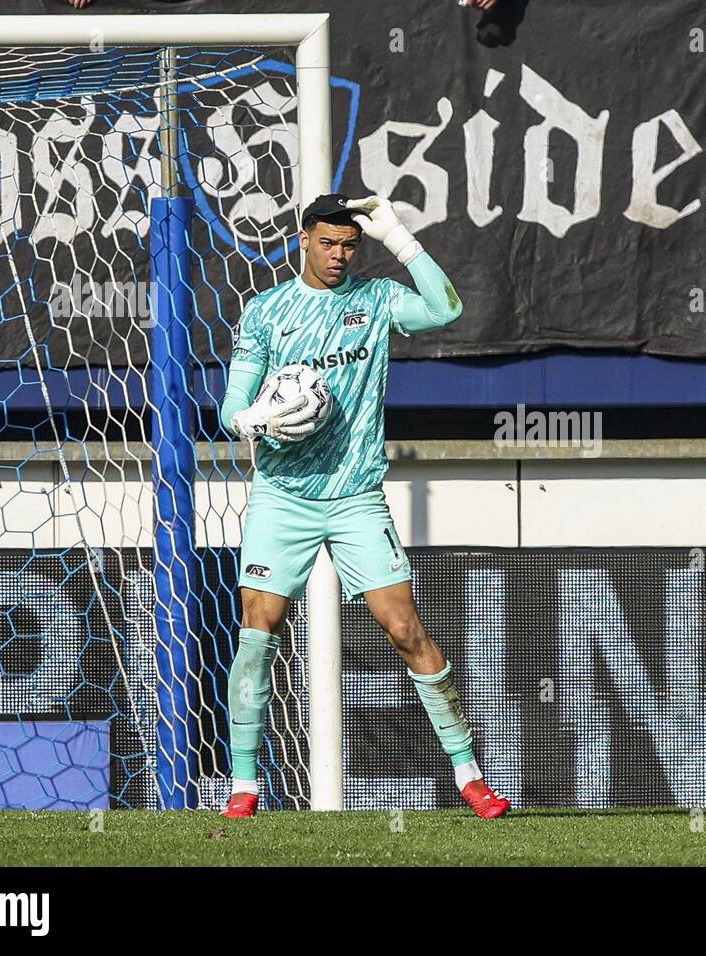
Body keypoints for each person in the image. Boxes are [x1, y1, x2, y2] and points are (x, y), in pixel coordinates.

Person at [217, 193, 510, 820]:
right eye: (327, 242)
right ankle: (243, 783)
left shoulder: (375, 300)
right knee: (257, 633)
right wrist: (253, 417)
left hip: (354, 496)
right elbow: (229, 408)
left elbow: (446, 307)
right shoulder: (267, 312)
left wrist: (402, 239)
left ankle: (467, 771)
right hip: (283, 496)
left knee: (405, 629)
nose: (338, 254)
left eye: (349, 244)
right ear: (303, 239)